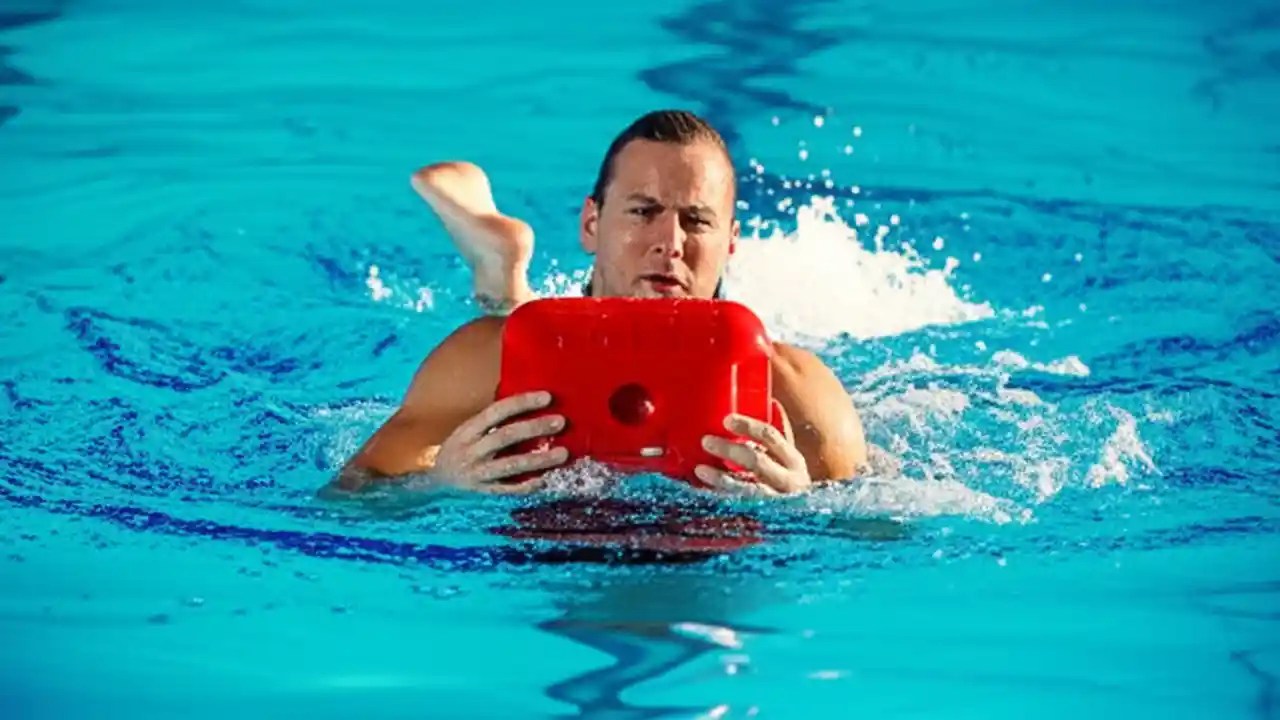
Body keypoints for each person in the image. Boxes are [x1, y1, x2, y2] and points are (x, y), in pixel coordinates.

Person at [330, 110, 867, 497]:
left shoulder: (792, 392)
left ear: (730, 243)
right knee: (518, 327)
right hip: (531, 336)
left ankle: (503, 269)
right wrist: (441, 481)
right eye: (643, 211)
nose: (671, 243)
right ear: (591, 225)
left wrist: (803, 502)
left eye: (696, 220)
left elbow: (884, 528)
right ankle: (502, 271)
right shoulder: (485, 360)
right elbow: (349, 495)